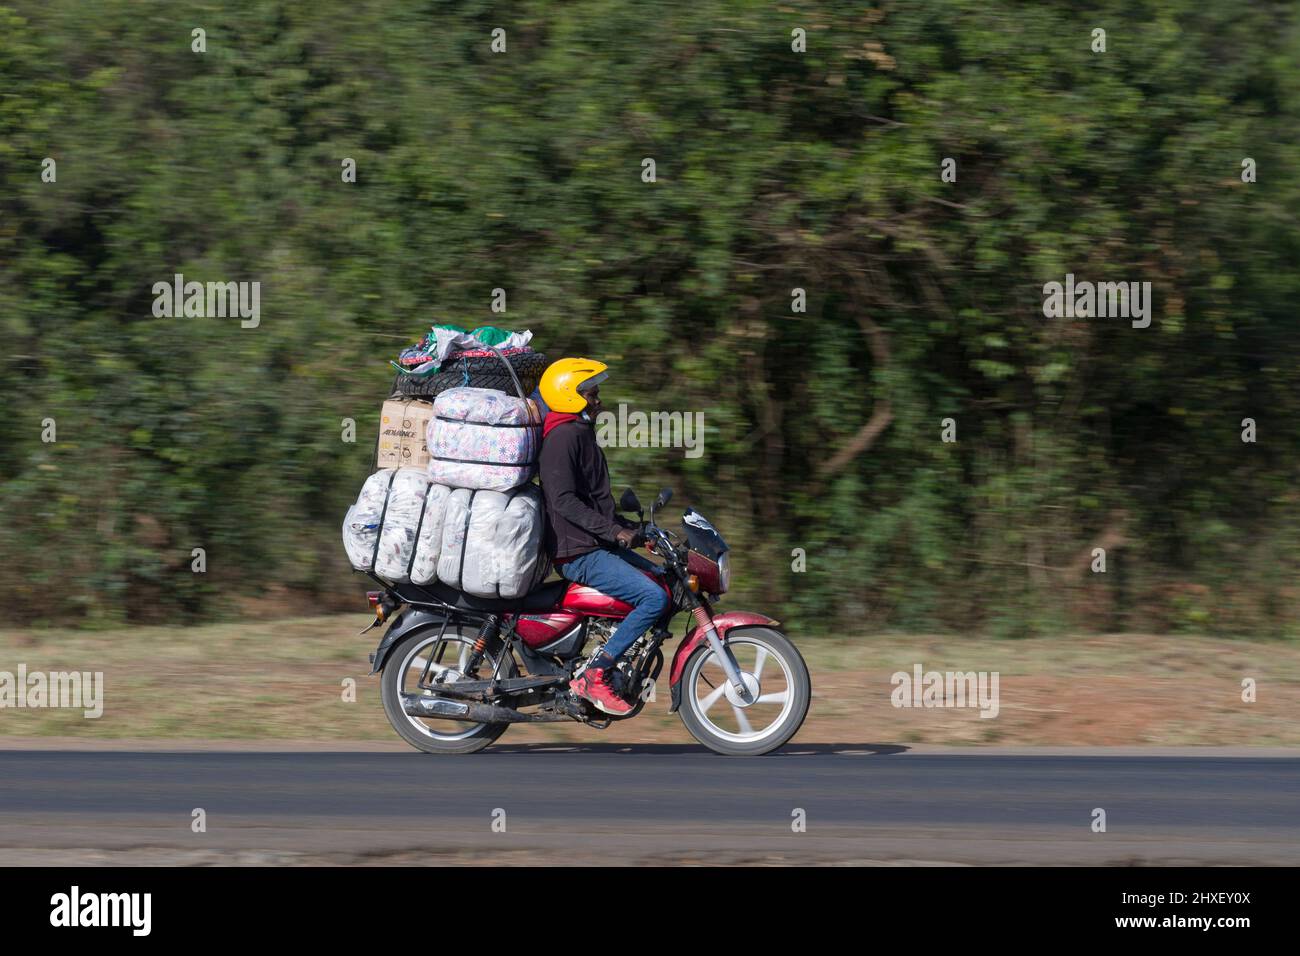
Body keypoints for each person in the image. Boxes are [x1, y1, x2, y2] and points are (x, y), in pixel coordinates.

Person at [537, 358, 668, 715]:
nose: (599, 402)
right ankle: (595, 672)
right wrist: (615, 531)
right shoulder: (562, 438)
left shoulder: (577, 433)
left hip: (594, 543)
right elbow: (563, 501)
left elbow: (594, 503)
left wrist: (637, 532)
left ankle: (617, 658)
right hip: (578, 553)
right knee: (653, 599)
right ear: (570, 396)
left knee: (663, 580)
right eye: (593, 395)